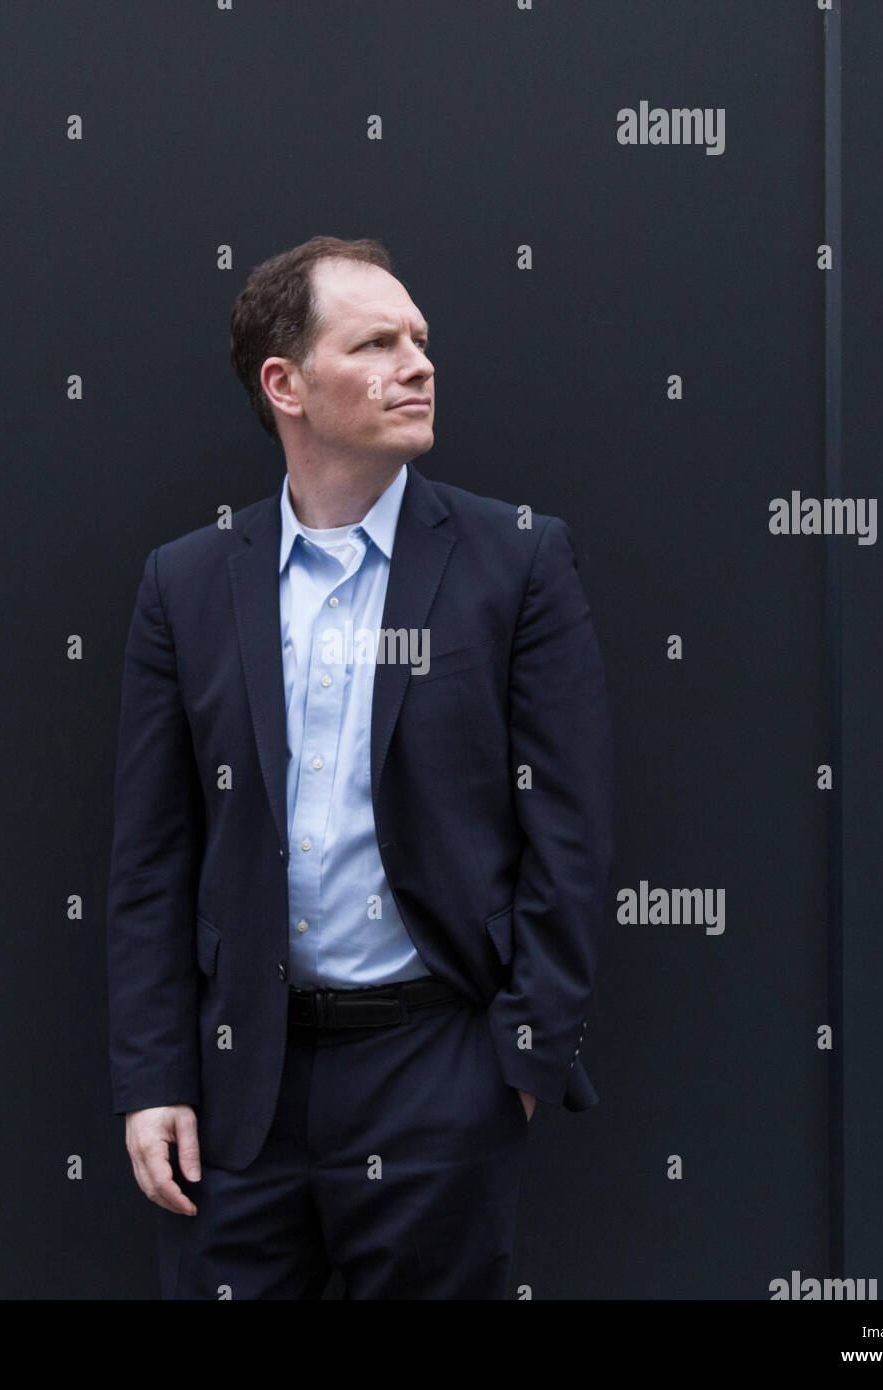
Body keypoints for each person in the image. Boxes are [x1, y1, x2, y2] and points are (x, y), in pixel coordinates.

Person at [106, 234, 614, 1298]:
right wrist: (153, 1078)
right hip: (240, 1085)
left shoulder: (516, 561)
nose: (418, 363)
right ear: (283, 384)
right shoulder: (187, 584)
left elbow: (568, 837)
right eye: (376, 341)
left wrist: (516, 1067)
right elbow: (152, 857)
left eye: (420, 338)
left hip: (437, 1071)